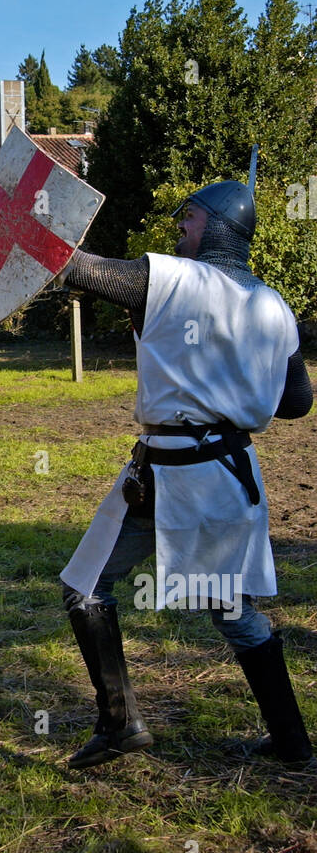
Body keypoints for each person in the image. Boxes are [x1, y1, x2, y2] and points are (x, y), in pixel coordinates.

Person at [59, 176, 313, 769]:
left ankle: (121, 724)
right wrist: (235, 377)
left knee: (85, 589)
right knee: (232, 612)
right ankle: (294, 743)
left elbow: (88, 272)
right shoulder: (274, 305)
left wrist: (30, 235)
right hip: (221, 473)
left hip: (175, 471)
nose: (180, 226)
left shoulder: (177, 280)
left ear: (218, 225)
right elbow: (297, 402)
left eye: (190, 217)